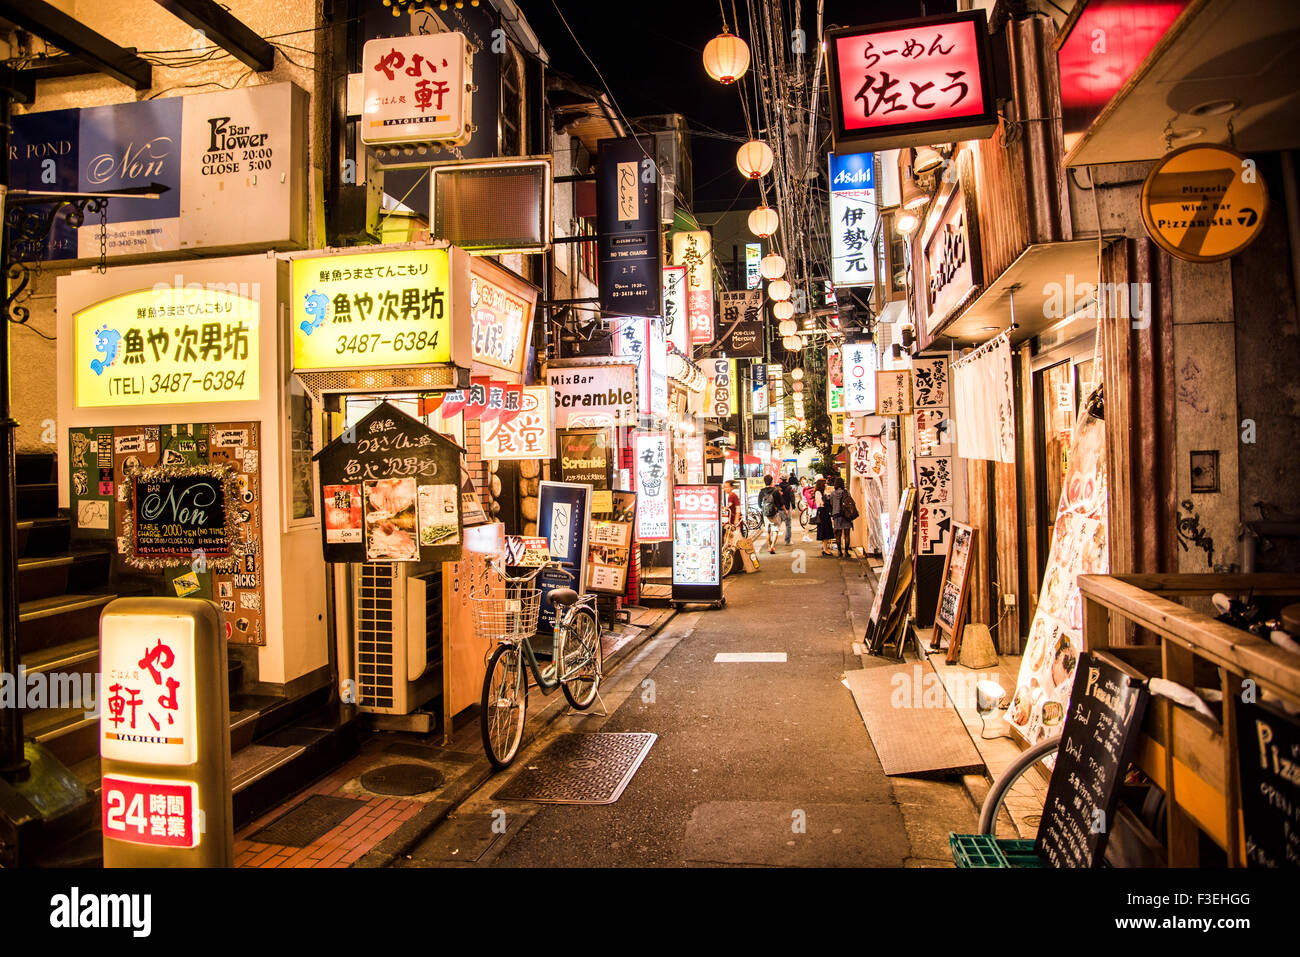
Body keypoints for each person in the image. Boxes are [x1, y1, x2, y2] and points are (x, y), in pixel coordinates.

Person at [830, 475, 855, 557]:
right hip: (846, 515)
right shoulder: (847, 492)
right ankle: (847, 552)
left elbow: (831, 504)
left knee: (838, 534)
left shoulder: (833, 494)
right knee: (847, 534)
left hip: (837, 515)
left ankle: (839, 552)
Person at [757, 474, 782, 554]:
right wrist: (778, 508)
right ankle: (772, 546)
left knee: (767, 531)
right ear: (772, 481)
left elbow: (759, 504)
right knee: (775, 530)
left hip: (765, 514)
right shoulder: (775, 491)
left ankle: (768, 546)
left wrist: (763, 509)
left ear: (764, 482)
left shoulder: (762, 491)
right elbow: (780, 502)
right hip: (774, 513)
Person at [814, 478, 834, 556]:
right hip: (822, 512)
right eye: (825, 483)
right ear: (822, 484)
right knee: (825, 530)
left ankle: (825, 548)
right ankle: (825, 549)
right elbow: (822, 503)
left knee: (826, 530)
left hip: (824, 512)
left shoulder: (822, 492)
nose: (826, 485)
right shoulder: (818, 493)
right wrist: (827, 496)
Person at [777, 473, 795, 546]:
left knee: (777, 526)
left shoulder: (778, 487)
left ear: (781, 479)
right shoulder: (789, 487)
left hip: (779, 509)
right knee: (788, 525)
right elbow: (792, 498)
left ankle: (772, 539)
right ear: (787, 479)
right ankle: (787, 541)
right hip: (787, 509)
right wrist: (793, 507)